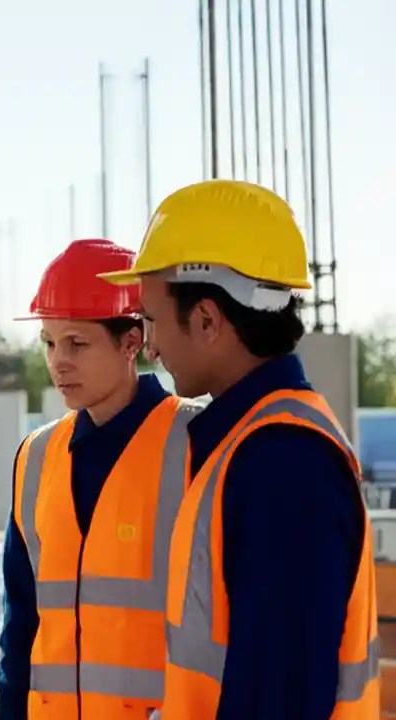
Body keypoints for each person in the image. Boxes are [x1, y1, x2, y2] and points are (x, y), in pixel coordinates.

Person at [98, 179, 378, 719]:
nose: (149, 345)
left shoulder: (283, 461)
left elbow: (280, 696)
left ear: (206, 320)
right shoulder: (247, 443)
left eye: (152, 320)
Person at [0, 238, 200, 720]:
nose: (57, 361)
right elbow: (21, 626)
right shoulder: (36, 457)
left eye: (76, 343)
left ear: (131, 342)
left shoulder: (199, 441)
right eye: (48, 342)